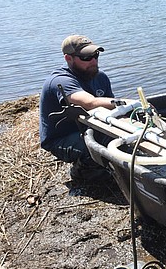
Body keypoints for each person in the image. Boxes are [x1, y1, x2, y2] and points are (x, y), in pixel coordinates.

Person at [39, 35, 117, 181]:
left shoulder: (101, 78)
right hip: (61, 138)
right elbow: (89, 103)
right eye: (86, 58)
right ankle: (81, 174)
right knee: (95, 148)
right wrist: (128, 102)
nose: (93, 61)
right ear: (69, 59)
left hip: (90, 128)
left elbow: (111, 110)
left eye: (95, 55)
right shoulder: (60, 80)